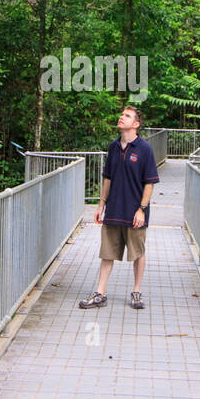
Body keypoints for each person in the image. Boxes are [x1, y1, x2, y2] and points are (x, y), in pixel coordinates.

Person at [79, 105, 159, 309]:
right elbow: (108, 177)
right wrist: (101, 205)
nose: (122, 118)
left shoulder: (145, 149)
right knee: (107, 253)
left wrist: (142, 209)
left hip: (135, 212)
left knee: (138, 253)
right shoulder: (113, 147)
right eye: (122, 114)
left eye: (127, 116)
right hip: (114, 209)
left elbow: (149, 182)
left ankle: (137, 292)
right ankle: (100, 293)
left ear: (136, 124)